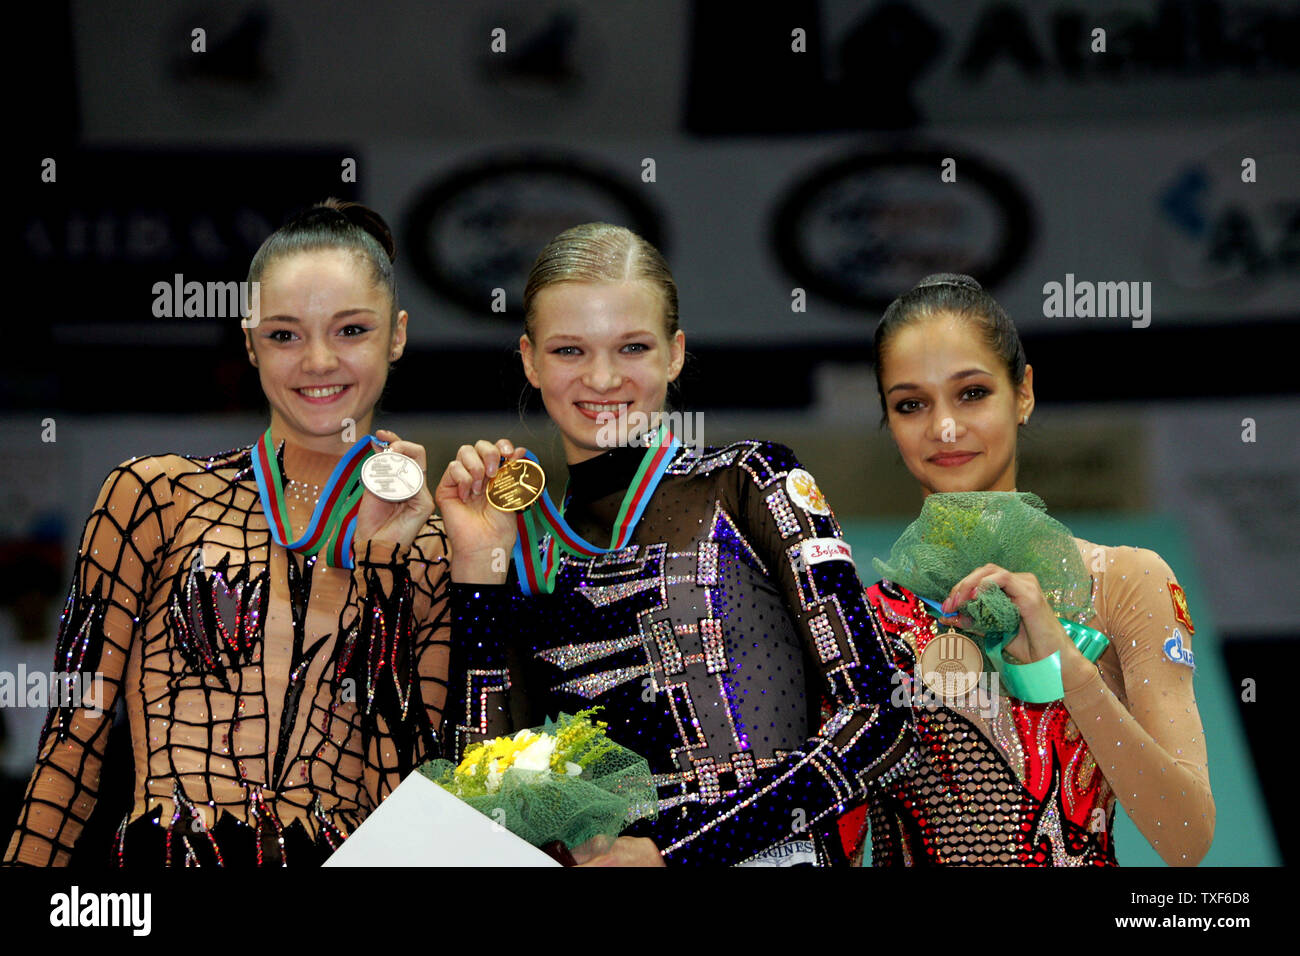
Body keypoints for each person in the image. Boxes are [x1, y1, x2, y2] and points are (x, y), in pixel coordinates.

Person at [436, 223, 916, 866]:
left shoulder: (751, 483)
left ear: (675, 353)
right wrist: (475, 564)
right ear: (529, 360)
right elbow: (478, 791)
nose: (602, 378)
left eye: (632, 347)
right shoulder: (519, 543)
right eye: (569, 351)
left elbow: (882, 721)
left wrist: (674, 854)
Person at [3, 200, 449, 866]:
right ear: (248, 340)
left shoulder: (428, 543)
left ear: (397, 335)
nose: (319, 361)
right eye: (285, 335)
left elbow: (410, 790)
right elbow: (72, 740)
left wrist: (385, 562)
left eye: (352, 330)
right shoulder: (153, 495)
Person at [839, 273, 1214, 866]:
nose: (944, 428)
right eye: (911, 404)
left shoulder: (1125, 581)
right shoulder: (856, 617)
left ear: (1023, 393)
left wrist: (1071, 669)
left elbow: (1187, 837)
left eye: (971, 393)